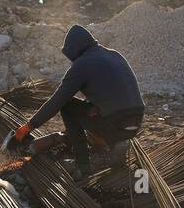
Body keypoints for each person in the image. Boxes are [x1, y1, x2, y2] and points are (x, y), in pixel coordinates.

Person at [12, 23, 144, 176]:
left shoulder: (81, 65)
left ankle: (83, 164)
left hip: (114, 121)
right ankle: (117, 142)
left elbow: (58, 100)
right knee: (93, 110)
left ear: (74, 49)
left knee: (67, 106)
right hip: (137, 118)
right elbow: (111, 91)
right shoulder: (114, 54)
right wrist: (93, 105)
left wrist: (29, 126)